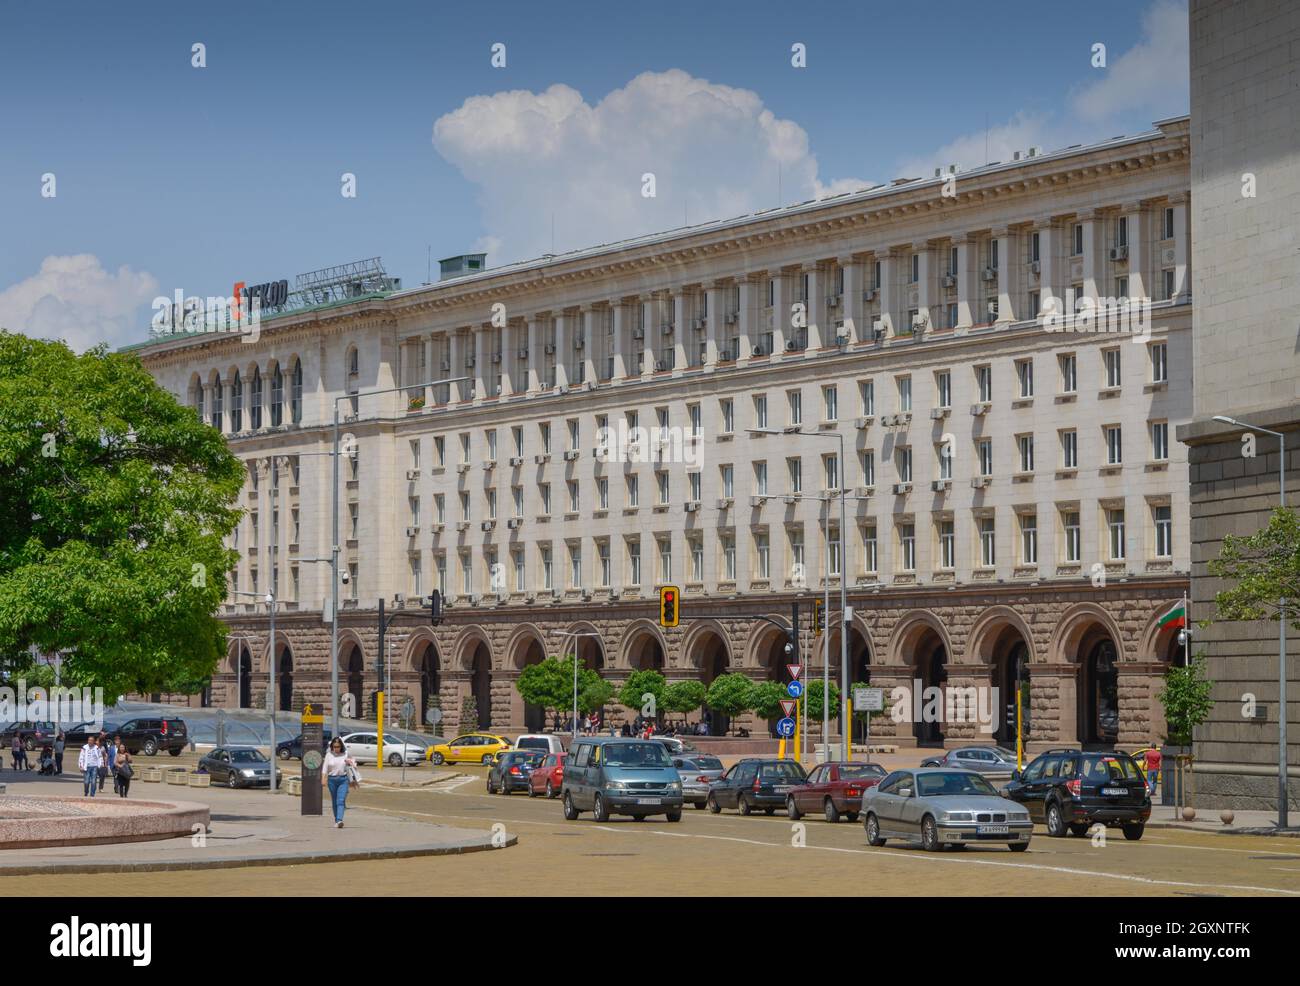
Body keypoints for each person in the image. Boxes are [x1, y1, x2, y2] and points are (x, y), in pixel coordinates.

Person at [322, 737, 356, 828]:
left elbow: (354, 762)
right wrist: (323, 778)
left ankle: (340, 820)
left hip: (343, 779)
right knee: (334, 801)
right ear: (332, 746)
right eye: (334, 746)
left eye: (338, 746)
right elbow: (325, 767)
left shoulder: (345, 754)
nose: (336, 748)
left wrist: (350, 762)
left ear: (341, 746)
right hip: (332, 780)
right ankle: (336, 820)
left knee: (340, 800)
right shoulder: (329, 755)